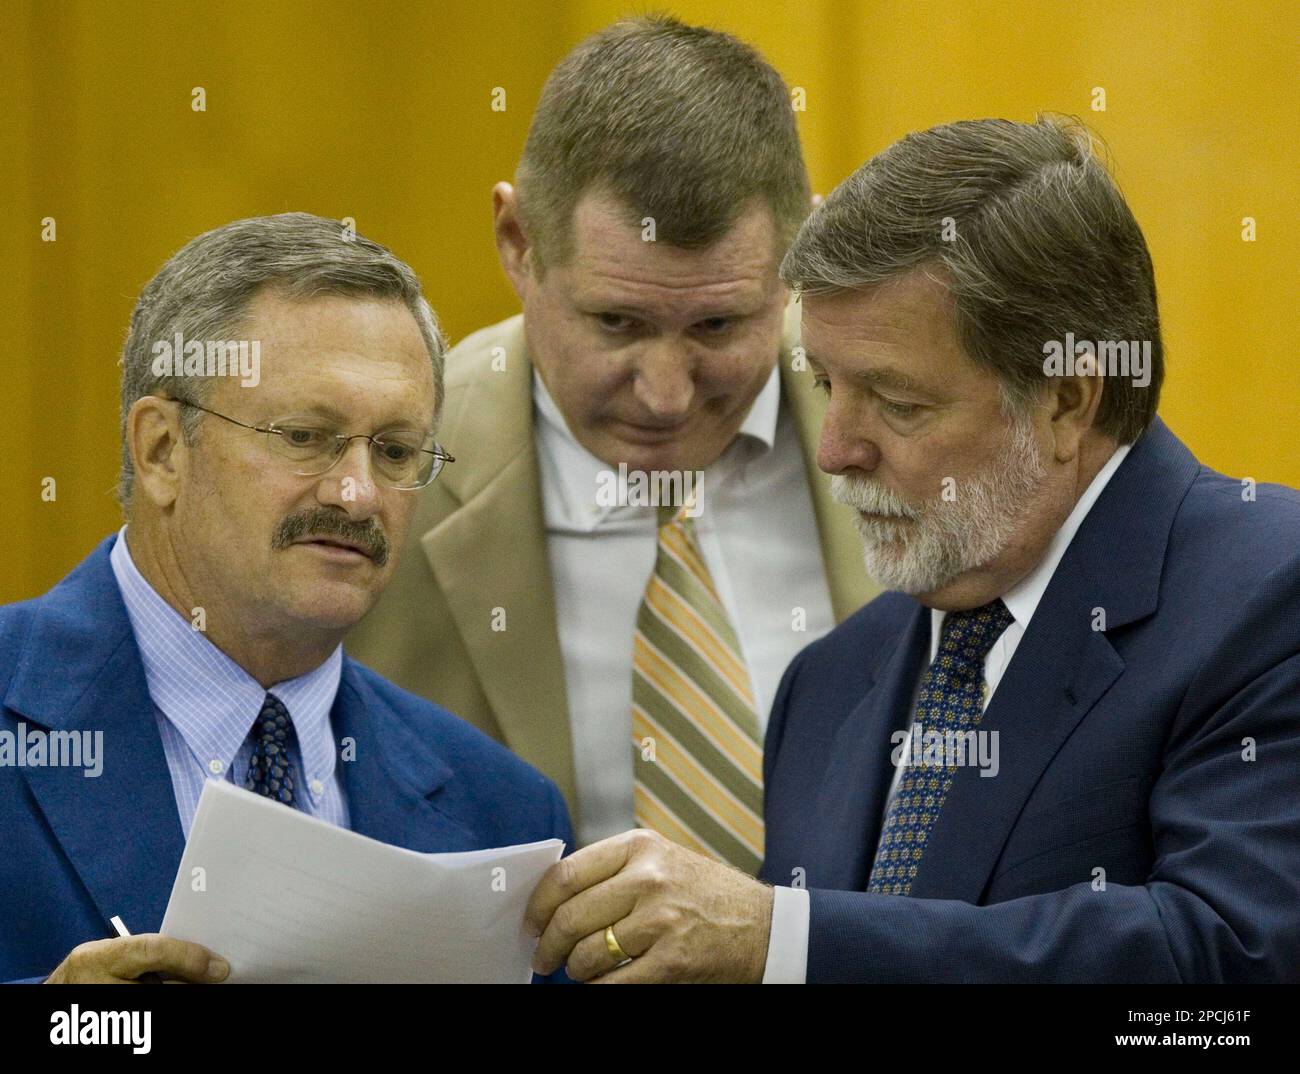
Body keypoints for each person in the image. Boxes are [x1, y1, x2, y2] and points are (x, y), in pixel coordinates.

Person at [521, 117, 1300, 983]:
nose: (834, 449)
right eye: (824, 385)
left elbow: (1229, 971)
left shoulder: (1269, 593)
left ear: (1067, 401)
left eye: (896, 403)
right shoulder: (826, 687)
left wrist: (785, 940)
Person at [348, 15, 877, 870]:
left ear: (802, 257)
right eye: (617, 321)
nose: (666, 395)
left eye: (718, 323)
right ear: (517, 243)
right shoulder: (383, 470)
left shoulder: (922, 435)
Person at [0, 213, 573, 983]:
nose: (358, 493)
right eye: (306, 436)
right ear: (163, 449)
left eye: (397, 450)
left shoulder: (502, 816)